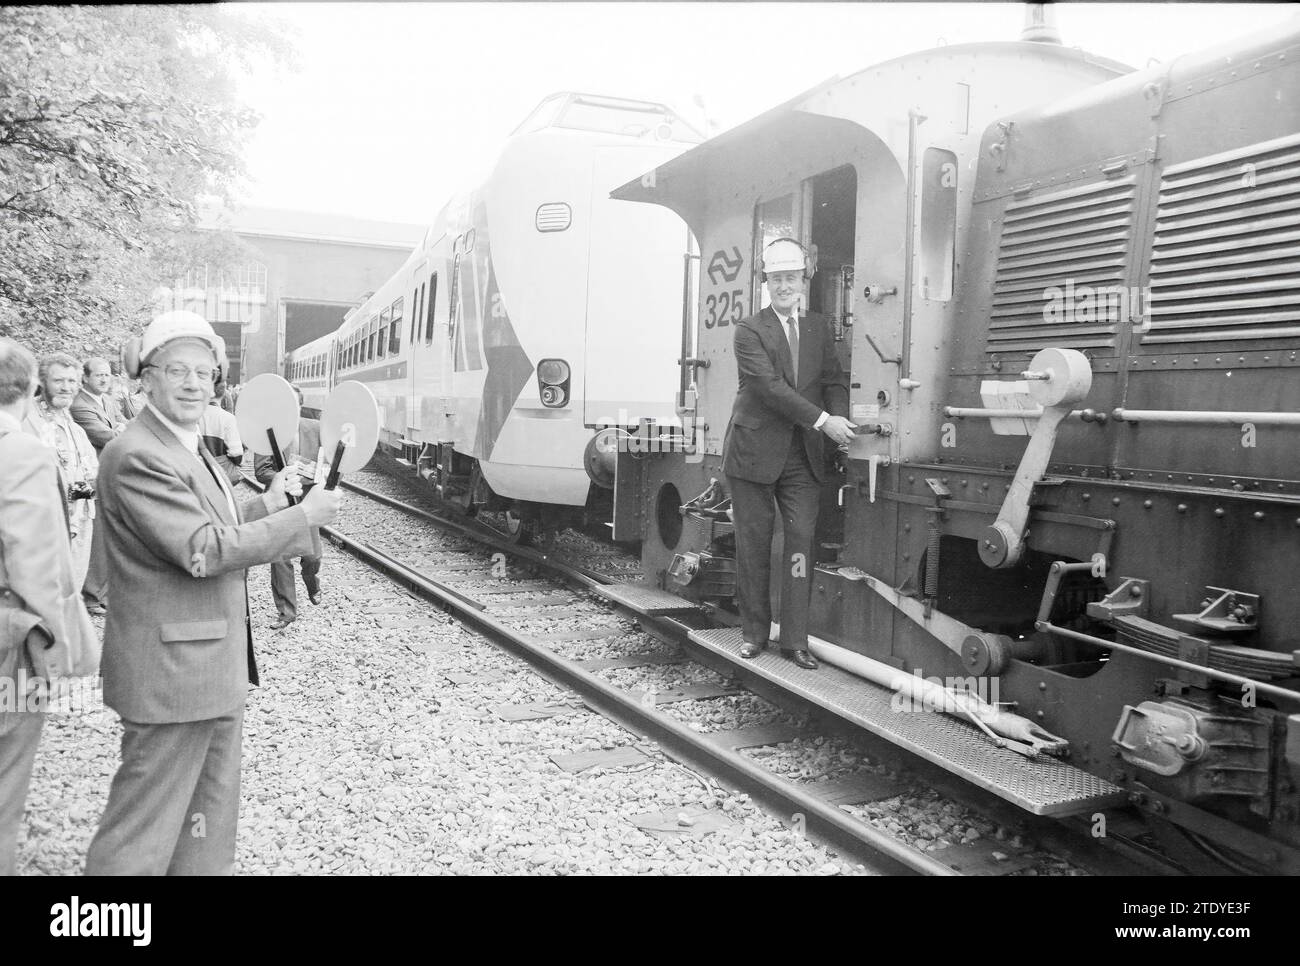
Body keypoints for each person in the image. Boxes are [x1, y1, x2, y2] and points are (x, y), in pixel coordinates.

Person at [84, 310, 340, 876]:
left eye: (205, 372)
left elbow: (210, 525)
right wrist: (301, 519)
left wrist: (267, 506)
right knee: (142, 830)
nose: (195, 383)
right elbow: (203, 550)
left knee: (203, 822)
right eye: (177, 370)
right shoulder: (138, 455)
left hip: (206, 668)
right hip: (175, 674)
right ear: (145, 377)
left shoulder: (184, 444)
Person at [722, 237, 855, 670]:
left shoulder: (818, 327)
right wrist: (824, 422)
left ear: (804, 280)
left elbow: (834, 379)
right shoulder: (749, 330)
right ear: (766, 282)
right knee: (754, 546)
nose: (785, 286)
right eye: (777, 278)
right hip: (754, 453)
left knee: (801, 546)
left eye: (791, 278)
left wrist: (838, 419)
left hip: (803, 456)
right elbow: (769, 387)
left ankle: (795, 641)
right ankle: (754, 635)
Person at [0, 338, 99, 876]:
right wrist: (57, 662)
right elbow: (36, 565)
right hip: (9, 646)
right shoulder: (22, 453)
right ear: (32, 388)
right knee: (5, 778)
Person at [34, 354, 101, 613]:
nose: (66, 387)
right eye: (58, 380)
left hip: (80, 518)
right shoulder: (31, 419)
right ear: (42, 382)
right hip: (47, 524)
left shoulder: (74, 425)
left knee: (70, 594)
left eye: (71, 381)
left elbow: (90, 470)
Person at [254, 385, 321, 630]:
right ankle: (286, 611)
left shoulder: (315, 428)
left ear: (301, 405)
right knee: (281, 558)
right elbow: (261, 471)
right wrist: (283, 479)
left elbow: (330, 463)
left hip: (307, 502)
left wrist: (315, 480)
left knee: (313, 557)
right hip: (279, 504)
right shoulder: (268, 433)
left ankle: (312, 582)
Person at [71, 357, 123, 614]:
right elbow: (106, 435)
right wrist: (124, 429)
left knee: (108, 535)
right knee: (96, 535)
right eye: (98, 375)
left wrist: (123, 427)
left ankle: (102, 592)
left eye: (107, 375)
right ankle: (91, 595)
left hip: (110, 474)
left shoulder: (108, 401)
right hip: (91, 480)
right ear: (86, 378)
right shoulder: (80, 405)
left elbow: (124, 422)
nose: (104, 379)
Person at [199, 377, 245, 485]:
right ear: (224, 393)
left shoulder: (194, 416)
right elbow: (237, 453)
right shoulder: (228, 418)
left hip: (199, 473)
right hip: (221, 476)